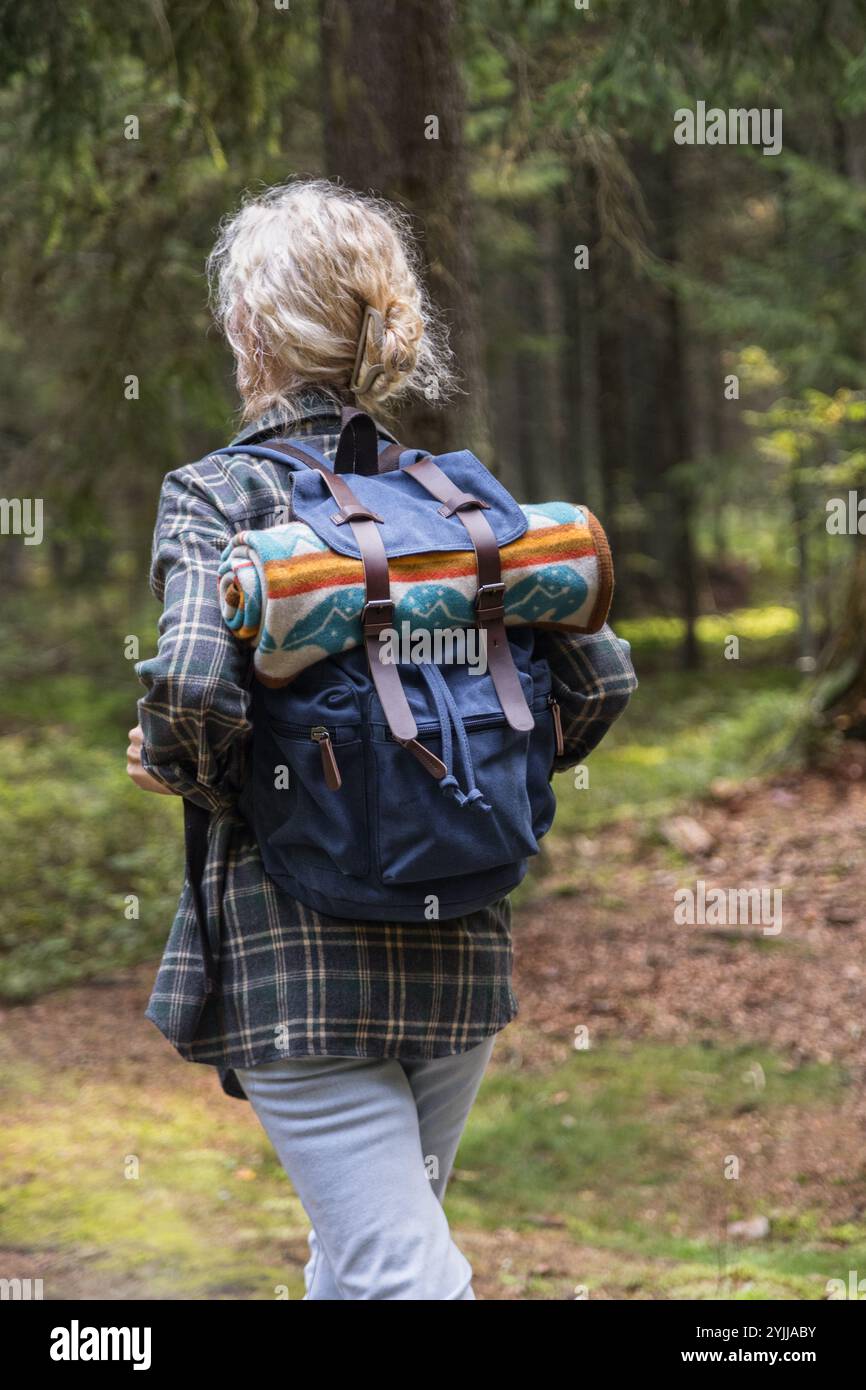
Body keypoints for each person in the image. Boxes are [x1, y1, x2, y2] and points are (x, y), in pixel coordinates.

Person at [126, 178, 637, 1300]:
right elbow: (601, 680)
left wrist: (171, 760)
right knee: (362, 1264)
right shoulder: (454, 500)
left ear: (247, 326)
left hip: (296, 952)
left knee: (397, 1273)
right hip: (458, 937)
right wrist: (476, 768)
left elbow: (196, 697)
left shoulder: (221, 496)